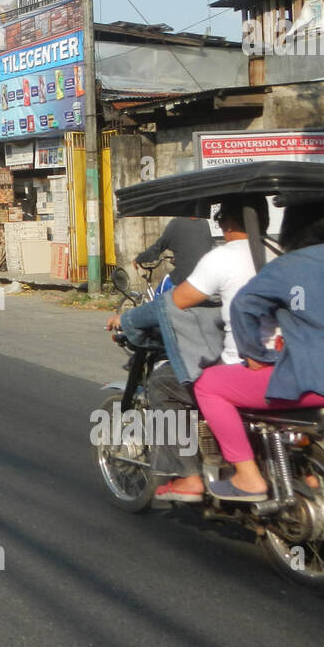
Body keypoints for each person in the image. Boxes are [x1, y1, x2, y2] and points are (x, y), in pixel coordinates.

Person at [194, 199, 324, 501]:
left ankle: (248, 477)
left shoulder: (288, 266)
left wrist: (254, 354)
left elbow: (244, 305)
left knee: (209, 385)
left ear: (292, 227)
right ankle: (308, 474)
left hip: (313, 383)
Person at [106, 195, 270, 502]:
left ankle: (189, 477)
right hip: (282, 362)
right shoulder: (277, 254)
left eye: (221, 219)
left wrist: (126, 319)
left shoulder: (222, 255)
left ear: (228, 222)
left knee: (163, 384)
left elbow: (171, 304)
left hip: (235, 353)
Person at [134, 216, 213, 286]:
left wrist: (139, 259)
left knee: (162, 290)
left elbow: (157, 248)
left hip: (185, 280)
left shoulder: (176, 224)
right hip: (206, 279)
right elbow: (199, 247)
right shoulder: (204, 222)